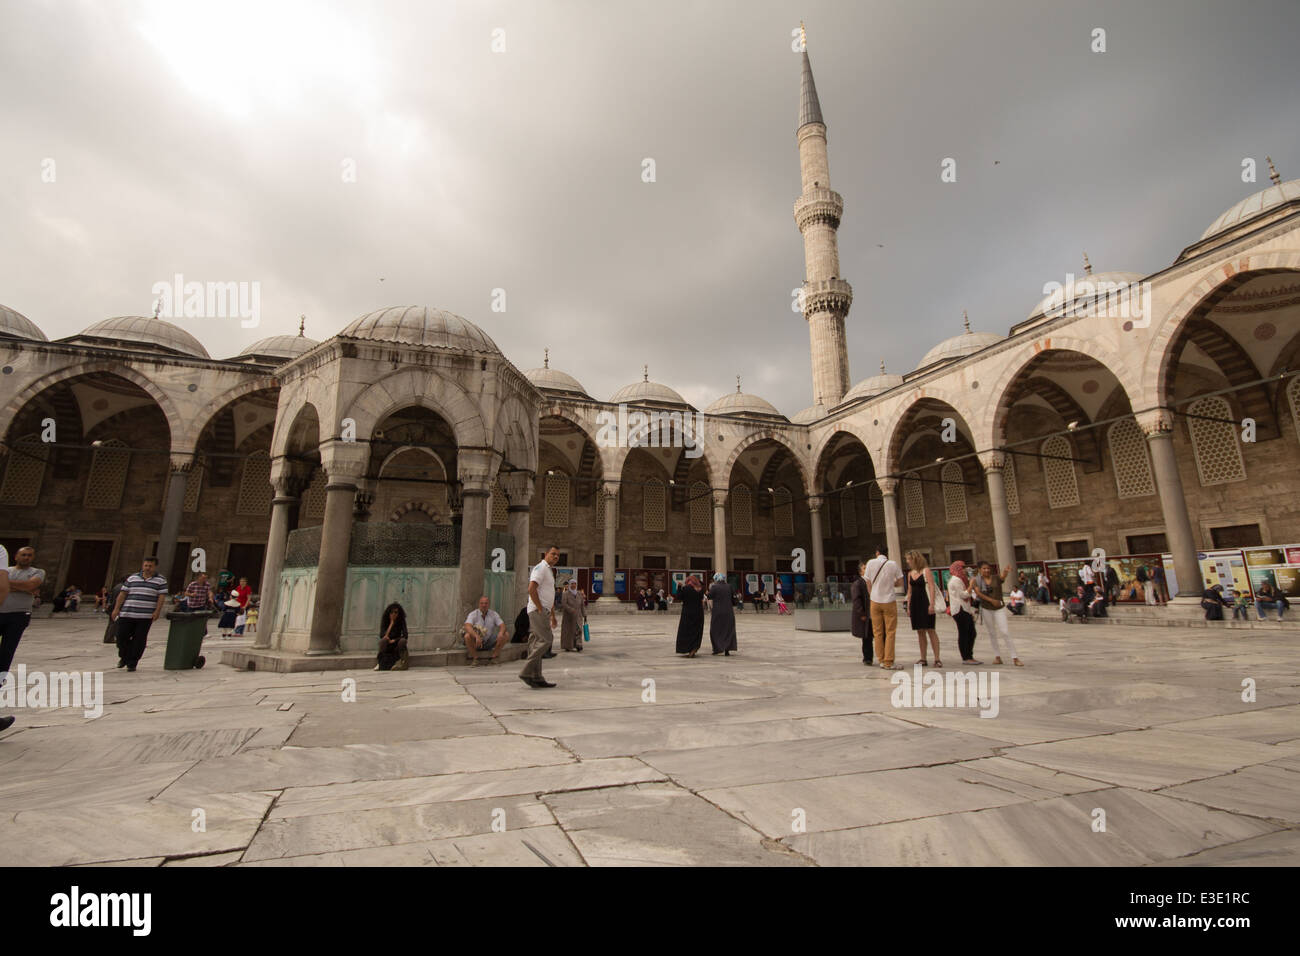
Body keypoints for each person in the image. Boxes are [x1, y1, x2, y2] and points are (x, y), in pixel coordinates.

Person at [0, 546, 45, 734]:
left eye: (29, 555)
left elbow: (30, 586)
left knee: (4, 660)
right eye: (23, 554)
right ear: (15, 555)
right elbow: (26, 587)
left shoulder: (37, 572)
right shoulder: (5, 565)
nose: (26, 558)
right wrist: (22, 587)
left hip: (18, 617)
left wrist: (8, 584)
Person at [111, 556, 167, 672]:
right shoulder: (132, 578)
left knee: (139, 640)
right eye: (146, 565)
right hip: (127, 613)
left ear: (155, 567)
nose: (147, 568)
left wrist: (157, 611)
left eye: (150, 566)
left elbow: (161, 597)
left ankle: (132, 662)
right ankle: (124, 657)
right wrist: (116, 609)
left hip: (145, 616)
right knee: (121, 637)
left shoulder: (161, 580)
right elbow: (122, 594)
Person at [520, 546, 560, 688]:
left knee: (536, 642)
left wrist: (552, 616)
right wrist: (540, 608)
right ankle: (526, 671)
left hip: (543, 611)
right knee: (546, 640)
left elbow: (549, 595)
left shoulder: (548, 570)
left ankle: (536, 676)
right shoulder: (540, 568)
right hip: (538, 611)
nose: (555, 557)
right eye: (553, 554)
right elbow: (531, 589)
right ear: (546, 554)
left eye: (557, 555)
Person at [971, 561, 1023, 665]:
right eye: (984, 568)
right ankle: (997, 656)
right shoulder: (976, 580)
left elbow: (1002, 577)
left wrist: (1006, 572)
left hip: (999, 608)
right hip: (986, 608)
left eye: (988, 568)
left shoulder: (995, 578)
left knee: (1005, 631)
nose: (986, 570)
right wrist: (991, 600)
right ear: (980, 570)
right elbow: (978, 593)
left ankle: (1015, 657)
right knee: (992, 633)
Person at [863, 547, 903, 670]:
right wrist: (892, 584)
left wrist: (871, 594)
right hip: (889, 600)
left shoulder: (870, 562)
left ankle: (881, 660)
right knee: (890, 632)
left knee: (877, 632)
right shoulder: (892, 564)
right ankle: (888, 661)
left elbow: (867, 581)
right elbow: (901, 582)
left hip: (874, 600)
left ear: (877, 553)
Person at [906, 551, 940, 667]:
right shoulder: (910, 574)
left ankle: (937, 658)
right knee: (920, 631)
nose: (907, 562)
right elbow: (909, 591)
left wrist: (931, 604)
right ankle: (923, 658)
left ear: (915, 559)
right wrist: (908, 606)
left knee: (930, 629)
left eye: (909, 559)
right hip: (915, 603)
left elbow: (931, 587)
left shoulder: (926, 571)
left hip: (925, 602)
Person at [947, 560, 980, 665]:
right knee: (965, 633)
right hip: (960, 610)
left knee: (971, 633)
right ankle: (966, 657)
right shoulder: (956, 580)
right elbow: (964, 595)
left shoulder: (961, 580)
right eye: (963, 567)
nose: (965, 569)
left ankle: (969, 655)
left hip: (965, 609)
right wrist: (970, 585)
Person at [464, 595, 508, 664]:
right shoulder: (473, 614)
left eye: (486, 603)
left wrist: (500, 633)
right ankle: (475, 659)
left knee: (505, 634)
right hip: (476, 642)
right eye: (482, 603)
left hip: (488, 641)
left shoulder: (493, 614)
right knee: (467, 636)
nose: (484, 605)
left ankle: (494, 657)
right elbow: (467, 626)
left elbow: (502, 625)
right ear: (479, 604)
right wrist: (476, 636)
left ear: (488, 604)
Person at [675, 575, 706, 657]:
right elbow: (702, 595)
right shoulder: (700, 589)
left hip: (687, 614)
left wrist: (679, 587)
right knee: (696, 631)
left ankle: (687, 648)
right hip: (698, 613)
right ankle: (694, 648)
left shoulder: (686, 588)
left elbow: (679, 597)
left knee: (687, 632)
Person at [850, 559, 874, 666]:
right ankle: (868, 658)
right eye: (864, 568)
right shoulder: (858, 583)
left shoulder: (874, 581)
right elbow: (856, 600)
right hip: (866, 614)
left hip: (875, 612)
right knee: (867, 637)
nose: (867, 569)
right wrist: (862, 613)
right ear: (860, 572)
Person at [708, 572, 737, 655]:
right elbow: (733, 598)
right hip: (728, 611)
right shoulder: (729, 586)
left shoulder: (714, 587)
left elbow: (709, 596)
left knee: (716, 629)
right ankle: (727, 649)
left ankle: (717, 648)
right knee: (728, 629)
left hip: (718, 611)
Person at [376, 603, 409, 670]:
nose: (393, 614)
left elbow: (405, 635)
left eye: (395, 612)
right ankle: (380, 662)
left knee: (403, 641)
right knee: (383, 640)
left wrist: (395, 640)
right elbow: (382, 635)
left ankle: (402, 661)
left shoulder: (401, 620)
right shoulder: (385, 620)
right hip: (388, 642)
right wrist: (391, 623)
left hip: (396, 642)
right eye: (391, 612)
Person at [560, 581, 586, 652]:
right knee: (569, 631)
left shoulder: (579, 593)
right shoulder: (565, 594)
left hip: (578, 615)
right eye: (572, 584)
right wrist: (571, 610)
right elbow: (564, 604)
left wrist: (584, 614)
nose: (573, 585)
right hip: (569, 616)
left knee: (579, 630)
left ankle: (578, 644)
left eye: (575, 584)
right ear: (569, 585)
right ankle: (568, 645)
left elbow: (582, 605)